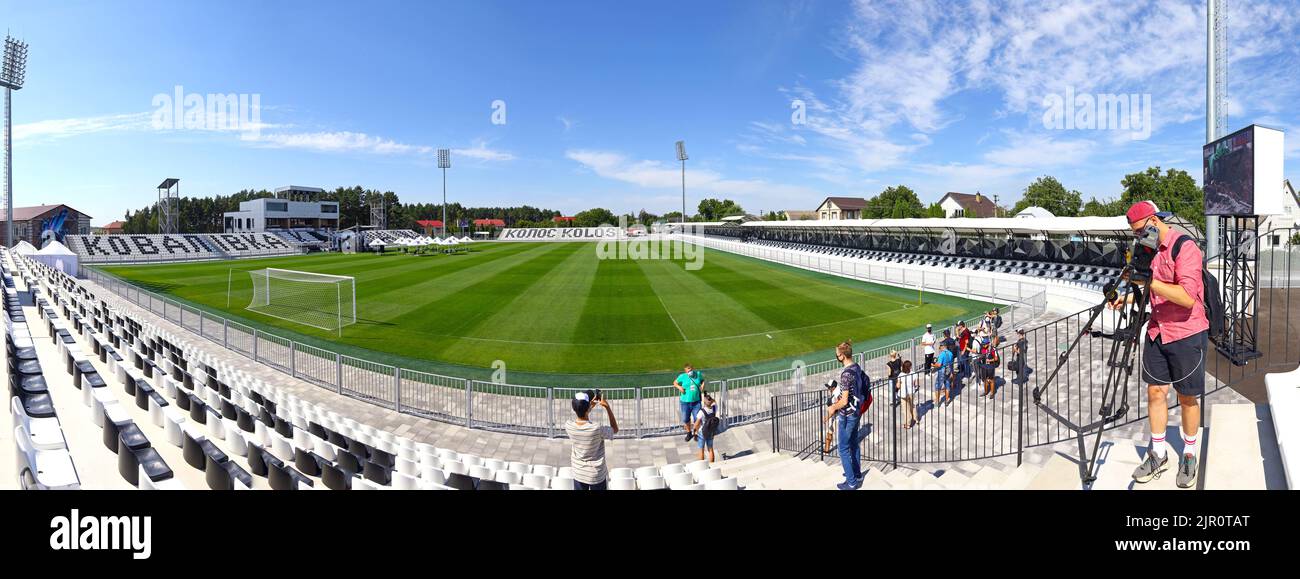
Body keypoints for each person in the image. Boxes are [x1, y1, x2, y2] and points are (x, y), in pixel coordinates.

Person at [1115, 201, 1209, 489]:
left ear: (1154, 221)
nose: (1138, 238)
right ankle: (1157, 453)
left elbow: (1186, 297)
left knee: (1187, 398)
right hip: (1157, 331)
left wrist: (1148, 281)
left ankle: (1189, 453)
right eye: (1134, 234)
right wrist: (1127, 298)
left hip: (1186, 333)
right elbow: (1152, 293)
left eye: (1140, 231)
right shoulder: (1149, 250)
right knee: (1155, 392)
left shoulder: (1186, 247)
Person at [823, 340, 869, 490]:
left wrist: (832, 408)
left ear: (842, 356)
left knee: (843, 448)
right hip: (856, 412)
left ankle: (851, 482)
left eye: (837, 354)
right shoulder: (856, 367)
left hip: (847, 414)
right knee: (854, 444)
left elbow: (843, 401)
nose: (836, 357)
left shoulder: (845, 374)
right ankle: (856, 474)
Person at [564, 390, 619, 490]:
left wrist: (588, 408)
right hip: (596, 475)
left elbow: (580, 418)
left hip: (578, 472)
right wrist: (607, 407)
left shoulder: (568, 426)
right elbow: (615, 429)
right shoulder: (596, 428)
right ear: (587, 408)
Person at [674, 363, 704, 441]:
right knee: (685, 418)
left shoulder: (698, 374)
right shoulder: (682, 376)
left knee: (697, 418)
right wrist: (679, 387)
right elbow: (675, 383)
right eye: (688, 370)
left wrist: (702, 386)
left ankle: (696, 433)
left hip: (696, 402)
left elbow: (702, 380)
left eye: (690, 369)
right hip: (685, 402)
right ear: (685, 371)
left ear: (692, 368)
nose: (689, 371)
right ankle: (689, 433)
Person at [692, 394, 720, 463]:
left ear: (704, 403)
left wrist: (694, 432)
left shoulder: (702, 412)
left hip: (702, 432)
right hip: (711, 432)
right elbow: (714, 402)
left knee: (701, 450)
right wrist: (712, 400)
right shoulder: (714, 408)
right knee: (710, 449)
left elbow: (696, 424)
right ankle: (712, 464)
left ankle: (702, 465)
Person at [931, 341, 954, 408]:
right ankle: (947, 400)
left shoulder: (942, 354)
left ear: (943, 346)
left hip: (942, 371)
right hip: (949, 370)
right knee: (947, 385)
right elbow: (951, 364)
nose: (939, 348)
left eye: (940, 346)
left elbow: (939, 364)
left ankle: (937, 402)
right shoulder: (951, 353)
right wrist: (952, 372)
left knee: (937, 386)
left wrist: (933, 364)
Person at [898, 360, 918, 429]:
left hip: (904, 393)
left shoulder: (901, 375)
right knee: (912, 405)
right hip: (911, 392)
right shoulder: (914, 373)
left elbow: (898, 386)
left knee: (905, 409)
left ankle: (908, 423)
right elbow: (916, 384)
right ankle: (915, 419)